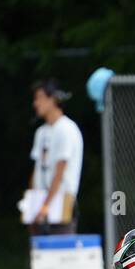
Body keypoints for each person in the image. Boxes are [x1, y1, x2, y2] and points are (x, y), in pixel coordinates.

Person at [28, 77, 83, 233]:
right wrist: (32, 203)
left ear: (53, 99)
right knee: (39, 253)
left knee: (60, 252)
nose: (35, 103)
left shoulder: (66, 129)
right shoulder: (41, 132)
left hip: (61, 200)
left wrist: (46, 205)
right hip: (41, 201)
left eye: (39, 98)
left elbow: (60, 170)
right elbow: (37, 168)